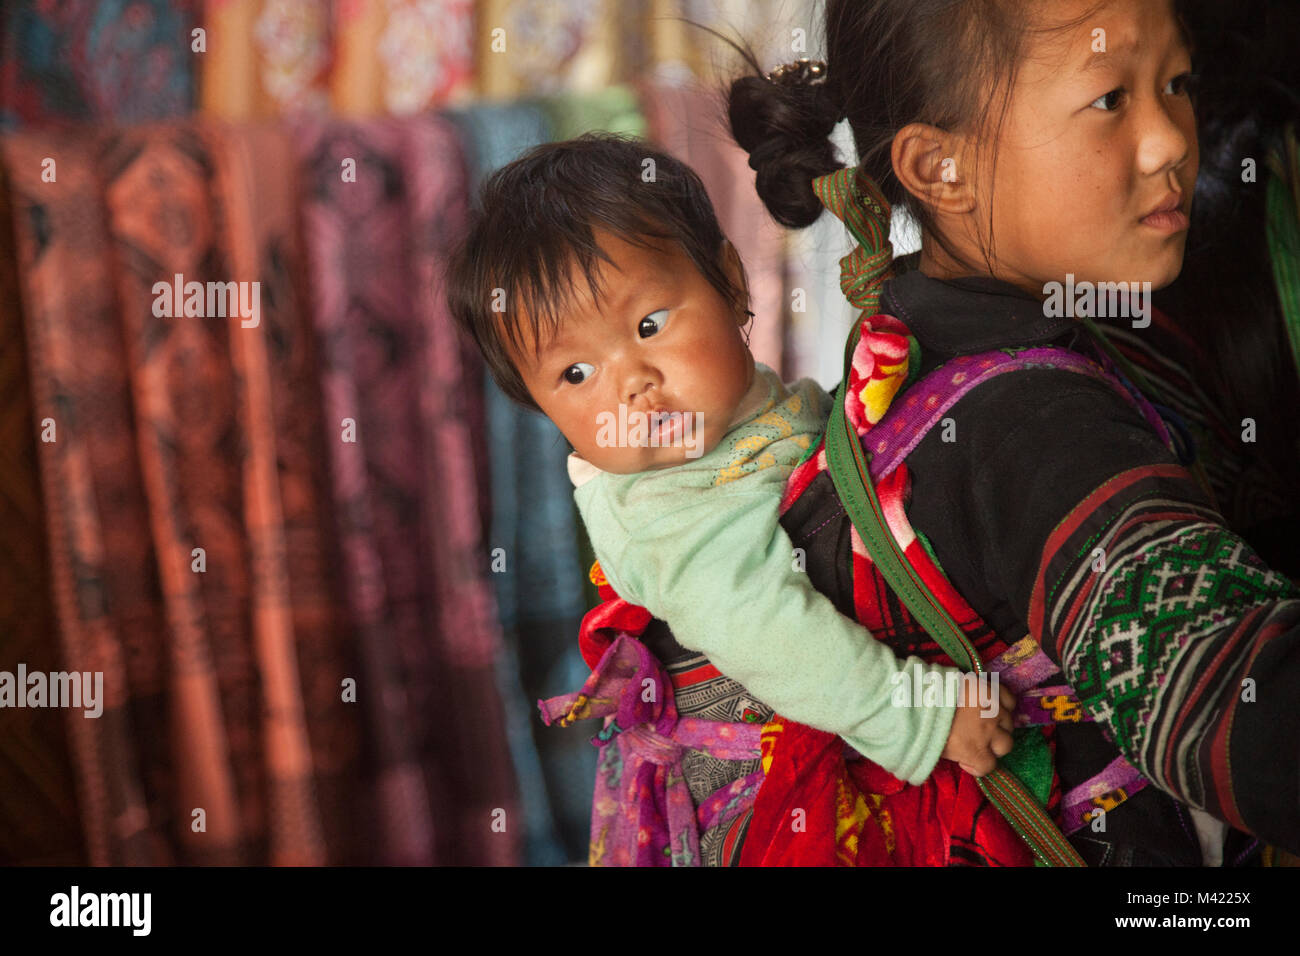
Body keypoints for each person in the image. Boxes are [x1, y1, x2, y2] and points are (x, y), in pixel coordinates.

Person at [716, 0, 1300, 864]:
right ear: (939, 166)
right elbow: (1237, 721)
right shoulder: (1036, 427)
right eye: (1110, 99)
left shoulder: (918, 346)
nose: (1175, 138)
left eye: (1175, 83)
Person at [444, 133, 1019, 811]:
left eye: (650, 324)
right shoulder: (670, 510)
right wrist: (916, 713)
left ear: (731, 281)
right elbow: (764, 627)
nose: (632, 381)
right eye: (574, 373)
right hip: (793, 791)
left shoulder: (731, 418)